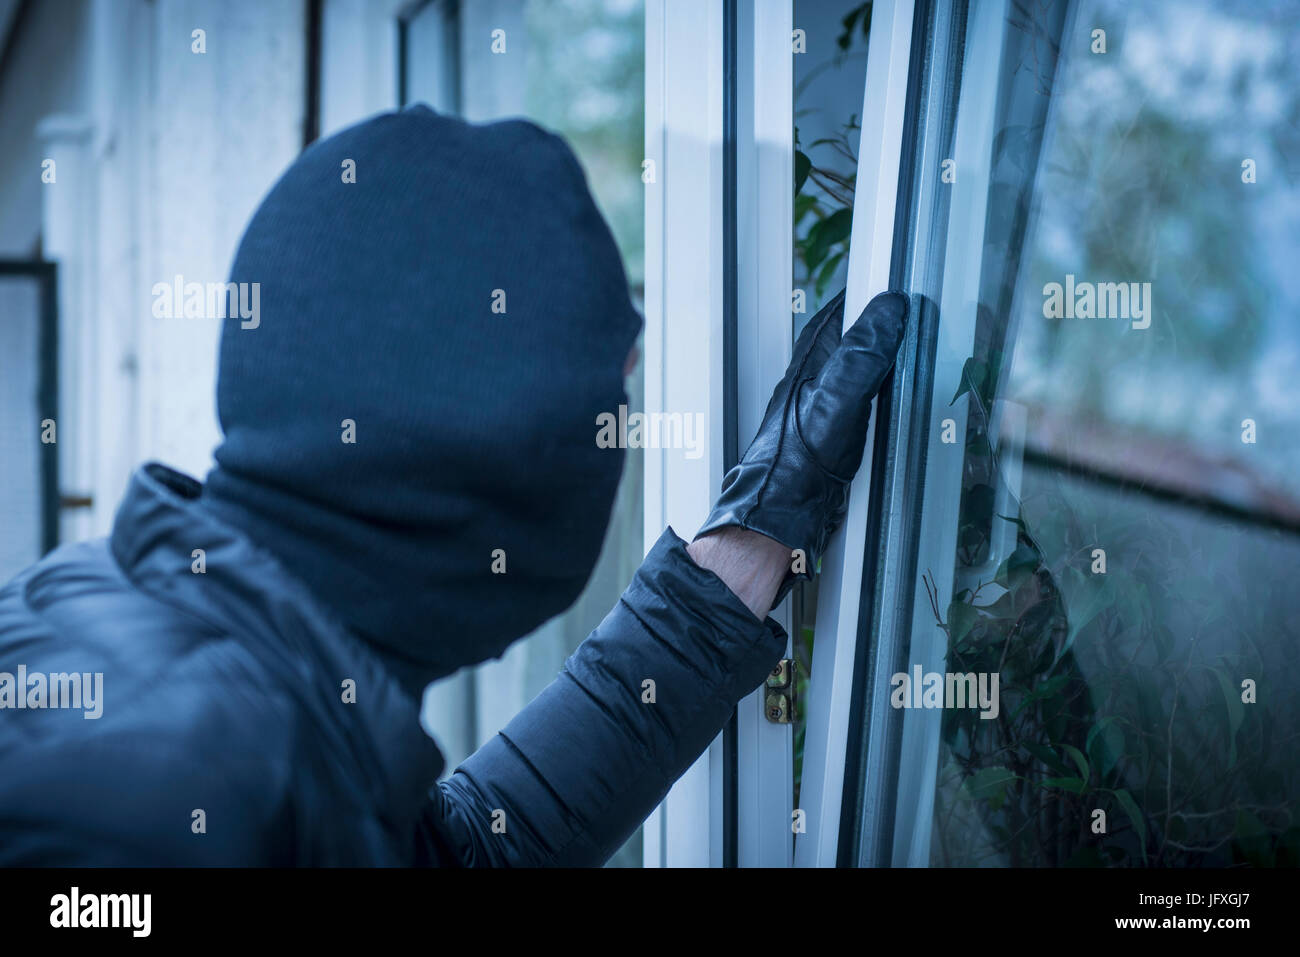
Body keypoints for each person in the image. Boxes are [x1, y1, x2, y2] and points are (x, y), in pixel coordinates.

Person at [0, 105, 906, 865]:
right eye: (613, 394)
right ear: (497, 462)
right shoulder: (172, 807)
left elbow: (460, 853)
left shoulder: (123, 615)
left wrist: (723, 579)